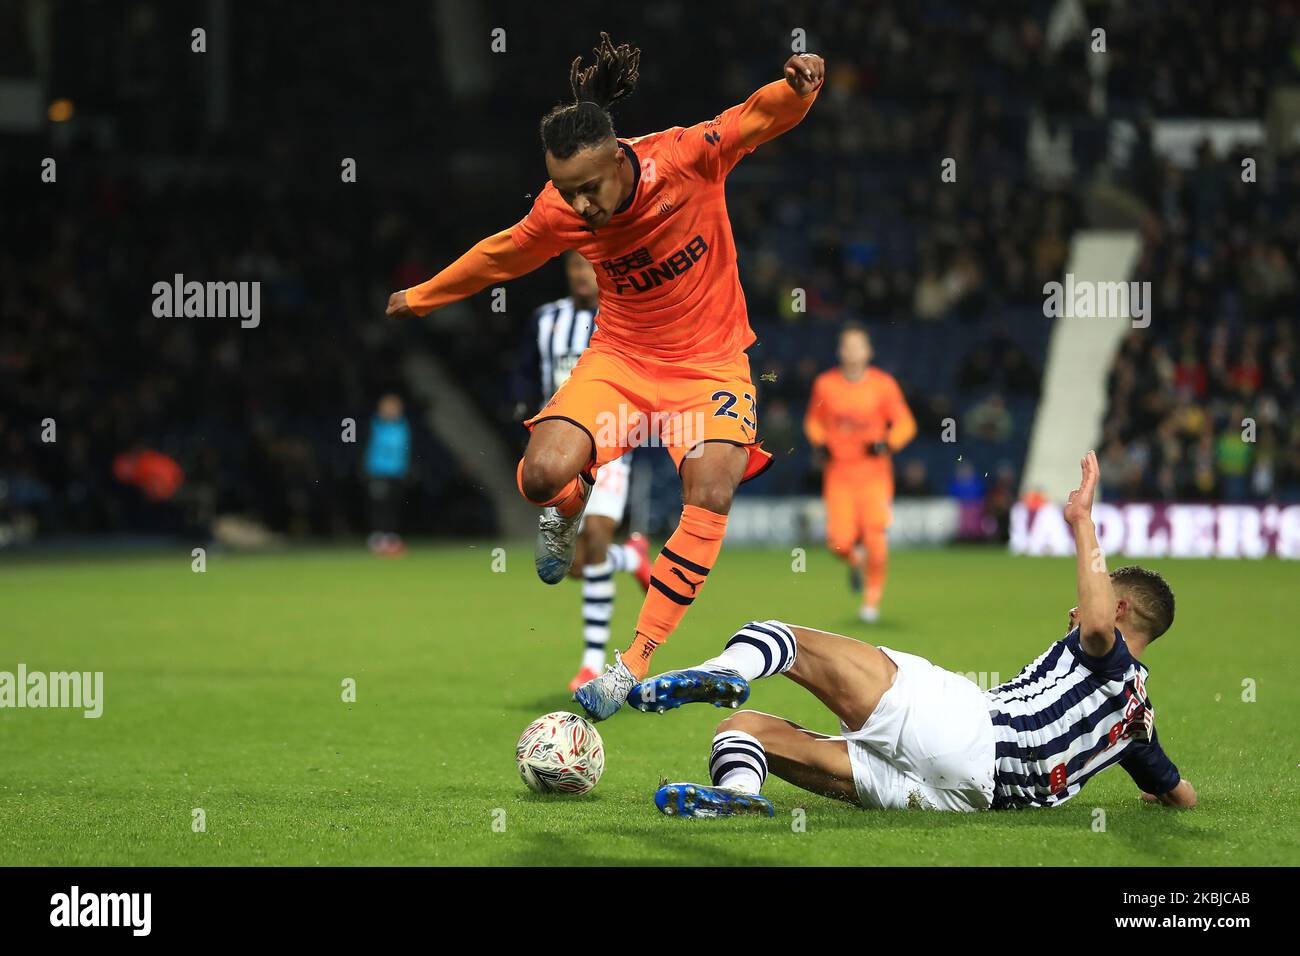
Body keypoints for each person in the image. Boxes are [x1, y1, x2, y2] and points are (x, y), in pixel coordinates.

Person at [386, 33, 824, 719]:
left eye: (589, 188)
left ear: (617, 158)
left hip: (708, 365)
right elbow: (502, 254)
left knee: (710, 485)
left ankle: (633, 663)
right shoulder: (562, 207)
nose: (580, 205)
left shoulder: (686, 157)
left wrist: (800, 88)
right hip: (621, 361)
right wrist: (424, 295)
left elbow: (757, 116)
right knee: (538, 475)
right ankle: (569, 504)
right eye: (567, 191)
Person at [630, 451, 1197, 818]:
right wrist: (1161, 793)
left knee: (779, 638)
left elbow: (1097, 623)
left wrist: (1082, 522)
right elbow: (1181, 794)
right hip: (963, 800)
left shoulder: (1106, 655)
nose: (1076, 608)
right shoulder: (1137, 723)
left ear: (1120, 607)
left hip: (970, 729)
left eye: (1094, 596)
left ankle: (725, 670)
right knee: (742, 730)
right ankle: (739, 796)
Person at [521, 251, 651, 690]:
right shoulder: (544, 319)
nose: (581, 275)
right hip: (561, 449)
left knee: (594, 538)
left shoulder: (624, 319)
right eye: (574, 267)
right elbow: (527, 379)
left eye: (588, 268)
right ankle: (632, 557)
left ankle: (592, 664)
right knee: (575, 564)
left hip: (610, 443)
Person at [804, 324, 915, 622]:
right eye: (847, 346)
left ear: (868, 351)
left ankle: (871, 603)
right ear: (840, 352)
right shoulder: (825, 384)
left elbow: (905, 424)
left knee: (875, 535)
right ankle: (856, 559)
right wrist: (820, 442)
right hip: (839, 473)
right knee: (838, 542)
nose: (852, 352)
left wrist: (887, 443)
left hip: (874, 475)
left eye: (858, 346)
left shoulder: (883, 385)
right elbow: (814, 422)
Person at [365, 394, 410, 557]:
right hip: (379, 471)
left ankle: (391, 538)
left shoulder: (402, 426)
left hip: (396, 473)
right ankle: (378, 539)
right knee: (380, 506)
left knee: (392, 506)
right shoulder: (377, 425)